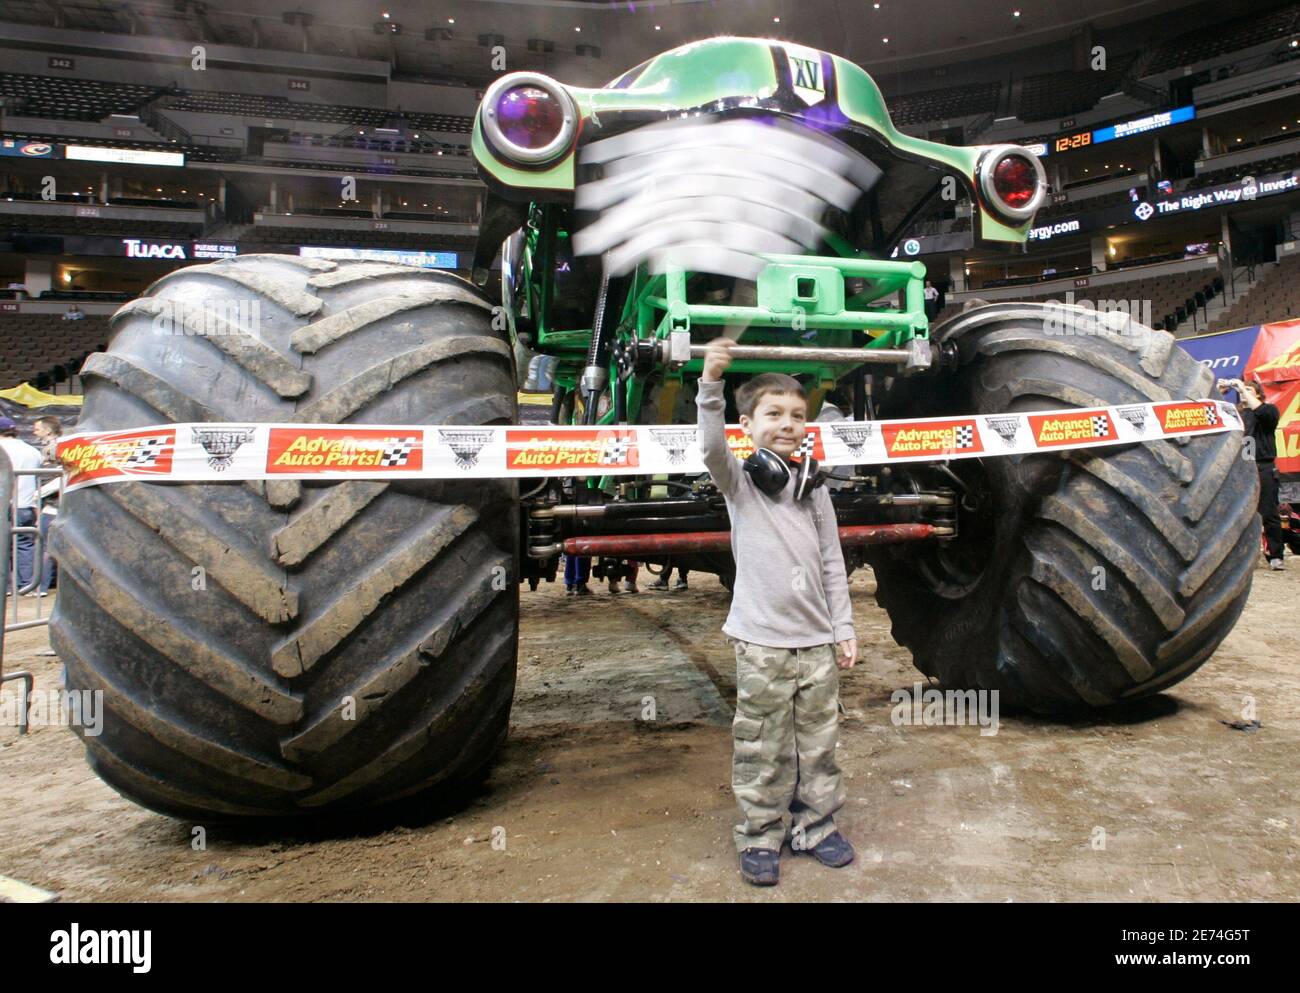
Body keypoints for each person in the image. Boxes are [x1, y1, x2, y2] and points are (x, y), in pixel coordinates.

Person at [696, 338, 858, 887]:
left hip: (815, 642)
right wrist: (711, 384)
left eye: (797, 416)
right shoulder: (740, 484)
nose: (788, 424)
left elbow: (833, 562)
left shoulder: (815, 490)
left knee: (819, 741)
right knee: (763, 742)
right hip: (762, 641)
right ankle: (760, 834)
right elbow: (712, 449)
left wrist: (844, 627)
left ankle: (816, 826)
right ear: (748, 426)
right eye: (774, 414)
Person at [1225, 378, 1285, 569]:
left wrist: (1244, 389)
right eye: (1242, 390)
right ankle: (1240, 557)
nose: (1243, 392)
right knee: (1238, 514)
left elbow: (1261, 411)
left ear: (1258, 394)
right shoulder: (1235, 414)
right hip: (1240, 468)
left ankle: (1275, 555)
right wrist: (1219, 391)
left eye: (1250, 389)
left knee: (1268, 513)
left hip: (1263, 467)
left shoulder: (1268, 411)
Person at [0, 416, 43, 593]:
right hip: (26, 505)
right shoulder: (32, 451)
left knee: (3, 546)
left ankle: (6, 587)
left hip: (5, 505)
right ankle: (26, 585)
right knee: (24, 545)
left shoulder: (2, 450)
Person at [32, 416, 62, 596]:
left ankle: (42, 586)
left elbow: (62, 476)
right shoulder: (50, 448)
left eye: (37, 429)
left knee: (46, 548)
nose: (34, 432)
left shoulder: (54, 448)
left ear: (48, 430)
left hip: (54, 506)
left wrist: (38, 494)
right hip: (52, 505)